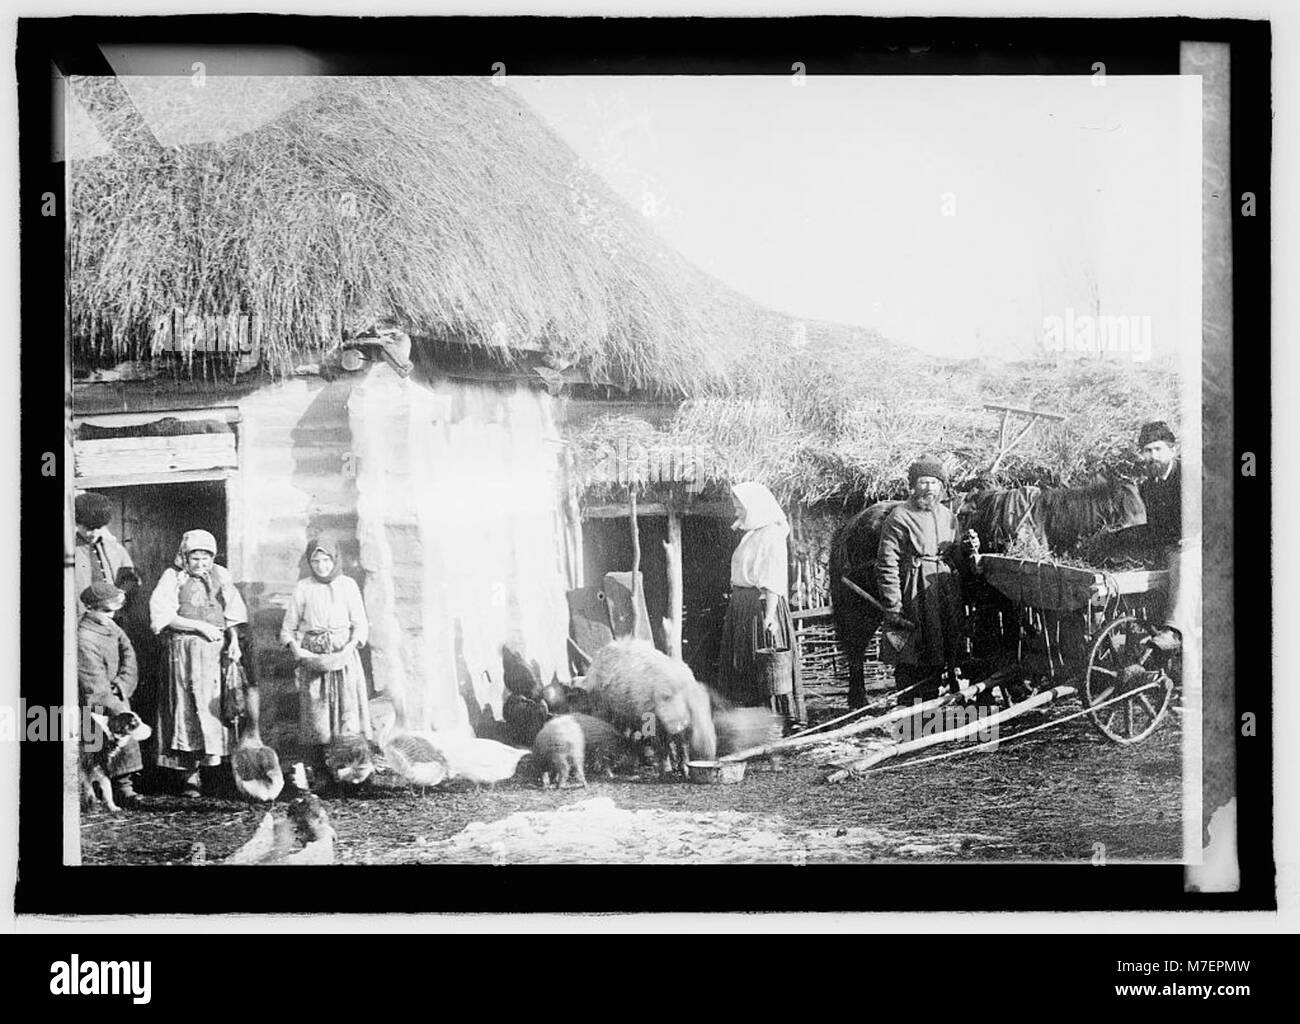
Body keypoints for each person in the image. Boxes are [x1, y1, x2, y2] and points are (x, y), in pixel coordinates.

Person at [148, 529, 247, 798]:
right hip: (184, 653)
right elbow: (163, 616)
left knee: (215, 709)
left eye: (206, 558)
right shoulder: (173, 577)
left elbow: (233, 612)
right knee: (187, 709)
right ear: (184, 557)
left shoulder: (221, 575)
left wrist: (234, 642)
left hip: (215, 654)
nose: (201, 564)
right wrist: (200, 626)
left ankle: (216, 774)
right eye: (195, 558)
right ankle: (190, 777)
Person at [876, 455, 979, 701]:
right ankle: (911, 704)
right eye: (923, 482)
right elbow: (887, 563)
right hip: (915, 590)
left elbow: (955, 556)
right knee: (913, 651)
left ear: (941, 486)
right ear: (913, 485)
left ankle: (934, 700)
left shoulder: (948, 516)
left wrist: (967, 547)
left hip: (944, 590)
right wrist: (893, 605)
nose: (928, 488)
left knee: (943, 647)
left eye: (933, 482)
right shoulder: (899, 516)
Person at [279, 537, 372, 785]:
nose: (321, 566)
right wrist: (299, 651)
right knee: (317, 715)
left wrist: (349, 648)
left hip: (343, 655)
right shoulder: (303, 588)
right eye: (316, 561)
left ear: (335, 560)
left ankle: (353, 773)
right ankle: (322, 774)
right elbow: (287, 630)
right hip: (315, 658)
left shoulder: (348, 585)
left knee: (347, 715)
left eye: (326, 560)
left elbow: (360, 624)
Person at [715, 482, 806, 731]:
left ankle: (774, 722)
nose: (736, 512)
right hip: (743, 607)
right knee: (743, 663)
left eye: (740, 507)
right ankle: (750, 722)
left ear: (755, 507)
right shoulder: (752, 535)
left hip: (761, 608)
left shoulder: (771, 535)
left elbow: (772, 579)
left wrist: (770, 616)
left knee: (766, 666)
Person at [1131, 421, 1196, 654]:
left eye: (1158, 449)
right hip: (1170, 547)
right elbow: (1152, 529)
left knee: (1185, 559)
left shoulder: (1191, 476)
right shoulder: (1148, 487)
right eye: (1147, 451)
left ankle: (1174, 631)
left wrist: (1198, 538)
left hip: (1202, 546)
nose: (1153, 456)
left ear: (1173, 450)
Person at [76, 580, 142, 806]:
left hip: (116, 694)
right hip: (98, 704)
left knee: (125, 745)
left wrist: (123, 683)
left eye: (114, 611)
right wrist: (116, 705)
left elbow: (129, 653)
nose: (111, 616)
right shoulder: (84, 637)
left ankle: (125, 787)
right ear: (90, 608)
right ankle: (95, 794)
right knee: (98, 749)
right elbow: (93, 682)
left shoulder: (112, 626)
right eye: (106, 611)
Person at [73, 491, 140, 617]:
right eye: (88, 528)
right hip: (80, 618)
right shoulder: (70, 550)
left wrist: (121, 594)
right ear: (77, 523)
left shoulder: (114, 548)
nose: (92, 533)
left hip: (111, 617)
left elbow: (130, 578)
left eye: (98, 528)